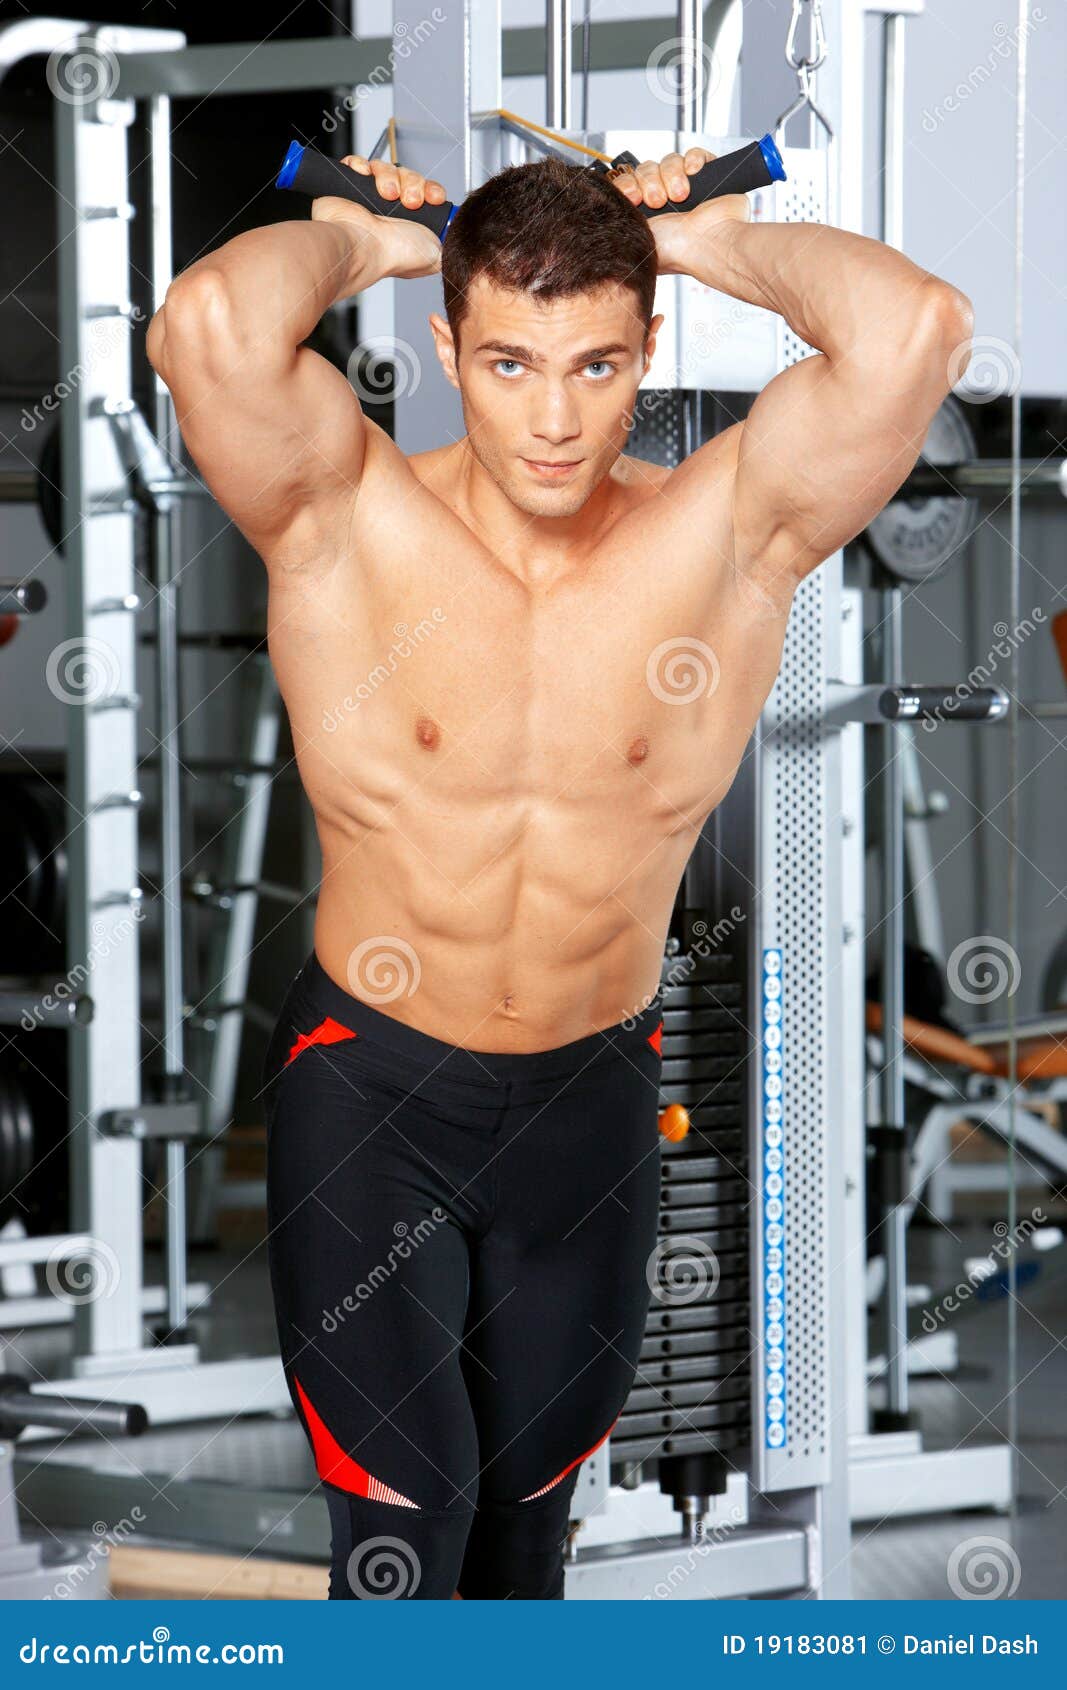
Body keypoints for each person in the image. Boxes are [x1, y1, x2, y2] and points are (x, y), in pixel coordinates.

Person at [146, 146, 972, 1599]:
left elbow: (916, 331)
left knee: (527, 1541)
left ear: (646, 349)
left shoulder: (723, 538)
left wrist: (708, 241)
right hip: (373, 1093)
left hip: (586, 1109)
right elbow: (206, 325)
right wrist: (370, 243)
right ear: (452, 345)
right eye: (511, 361)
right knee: (412, 1530)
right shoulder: (348, 518)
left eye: (597, 365)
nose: (554, 415)